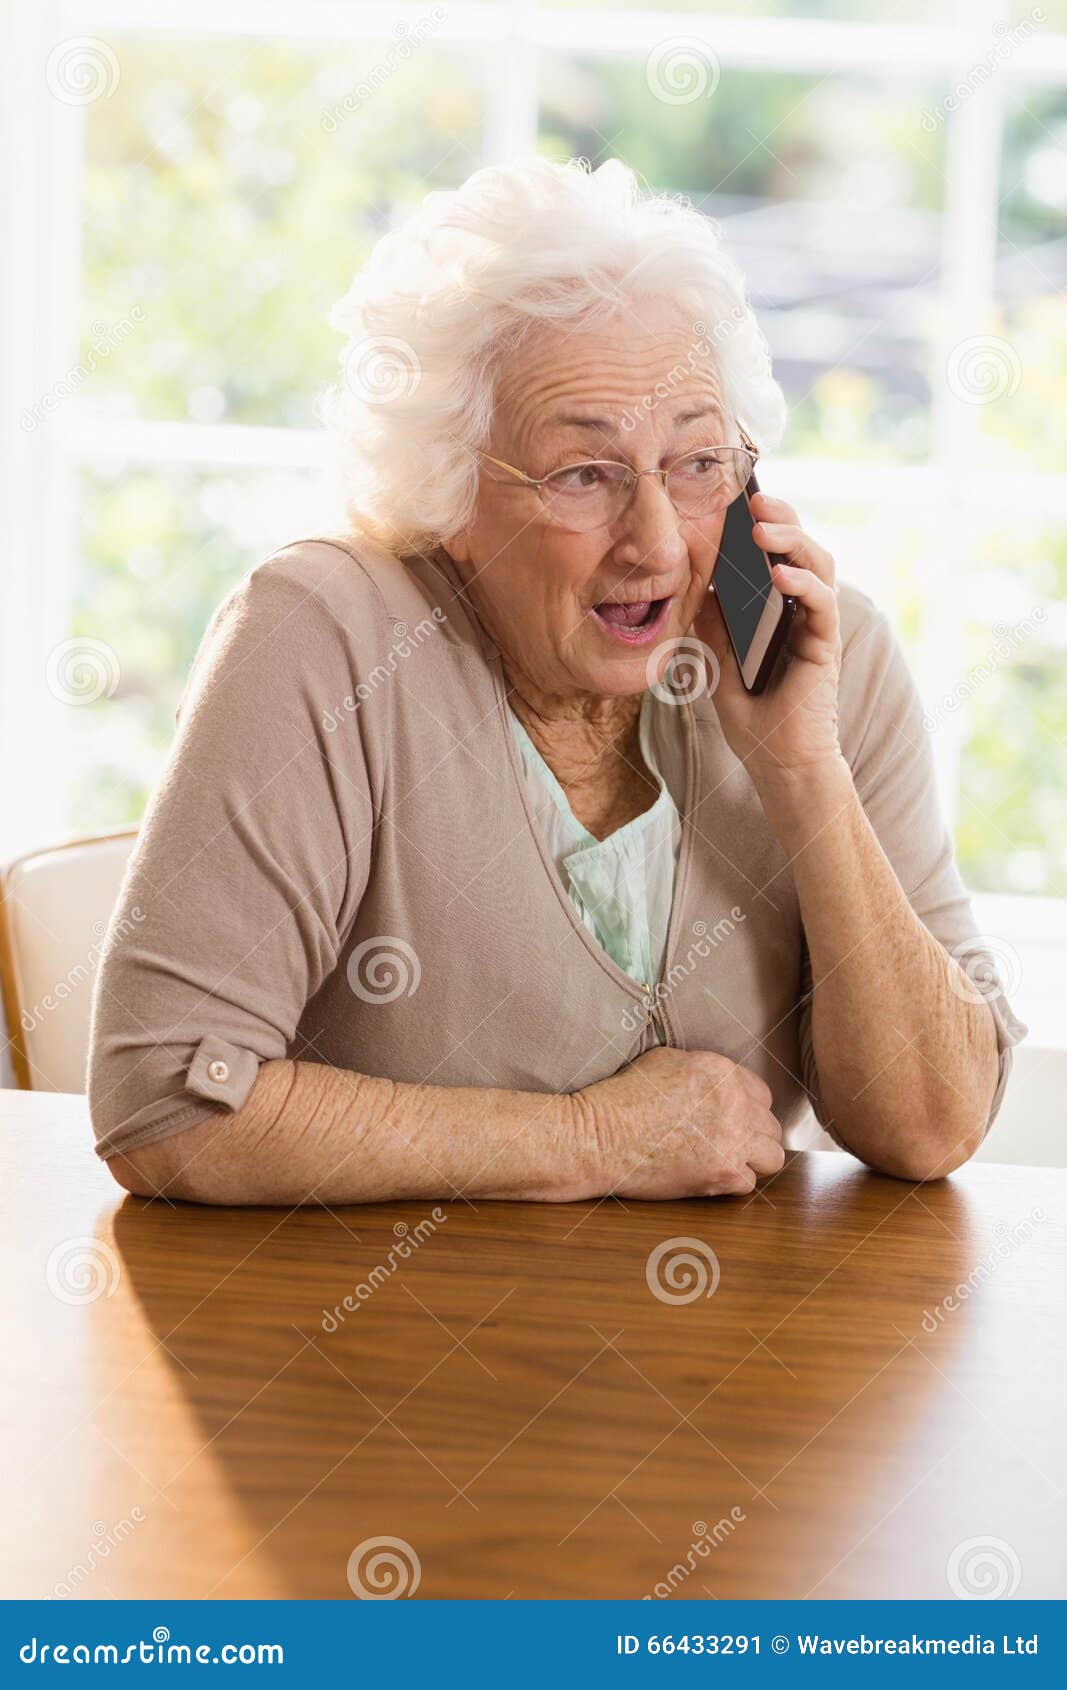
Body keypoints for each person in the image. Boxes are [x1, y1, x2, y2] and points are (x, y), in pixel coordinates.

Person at [88, 156, 1026, 1205]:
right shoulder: (324, 636)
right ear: (445, 484)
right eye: (583, 474)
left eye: (695, 462)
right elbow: (163, 1106)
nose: (657, 544)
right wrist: (586, 1140)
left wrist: (802, 771)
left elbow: (931, 1126)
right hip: (367, 1352)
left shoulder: (817, 657)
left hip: (721, 1360)